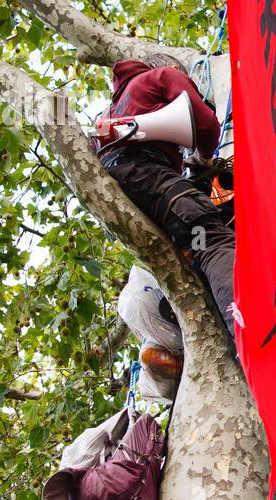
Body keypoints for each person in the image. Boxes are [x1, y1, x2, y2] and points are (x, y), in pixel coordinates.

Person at [98, 55, 236, 333]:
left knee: (190, 244)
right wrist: (205, 156)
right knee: (211, 235)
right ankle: (246, 322)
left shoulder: (110, 110)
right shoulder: (161, 75)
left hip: (123, 186)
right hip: (146, 170)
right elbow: (207, 125)